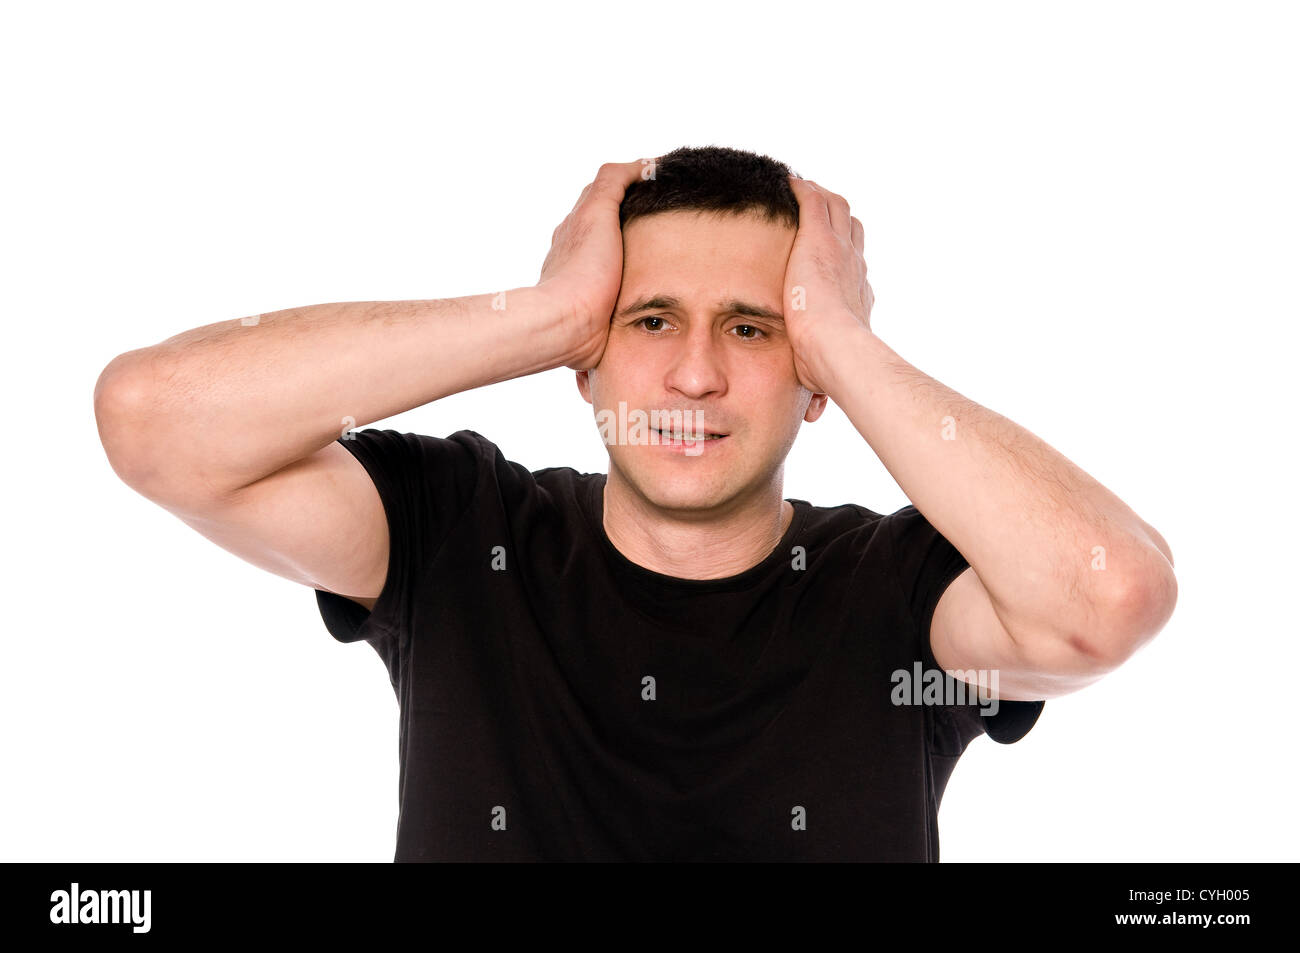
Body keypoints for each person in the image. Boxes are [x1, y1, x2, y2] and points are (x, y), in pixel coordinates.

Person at [93, 145, 1178, 861]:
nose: (695, 374)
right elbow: (154, 421)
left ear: (816, 386)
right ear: (585, 361)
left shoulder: (899, 593)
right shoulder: (462, 534)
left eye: (752, 328)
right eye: (650, 320)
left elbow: (1106, 594)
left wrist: (843, 338)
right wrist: (547, 310)